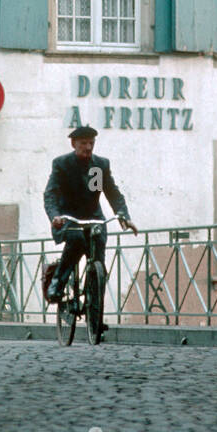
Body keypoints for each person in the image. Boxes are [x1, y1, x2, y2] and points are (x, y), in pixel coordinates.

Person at [43, 124, 138, 303]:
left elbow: (112, 192)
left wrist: (123, 216)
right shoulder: (62, 164)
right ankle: (57, 282)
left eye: (91, 143)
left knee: (99, 252)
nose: (88, 147)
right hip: (68, 219)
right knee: (77, 239)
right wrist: (54, 216)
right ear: (73, 144)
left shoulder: (100, 165)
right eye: (83, 143)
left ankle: (94, 305)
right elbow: (50, 194)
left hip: (94, 217)